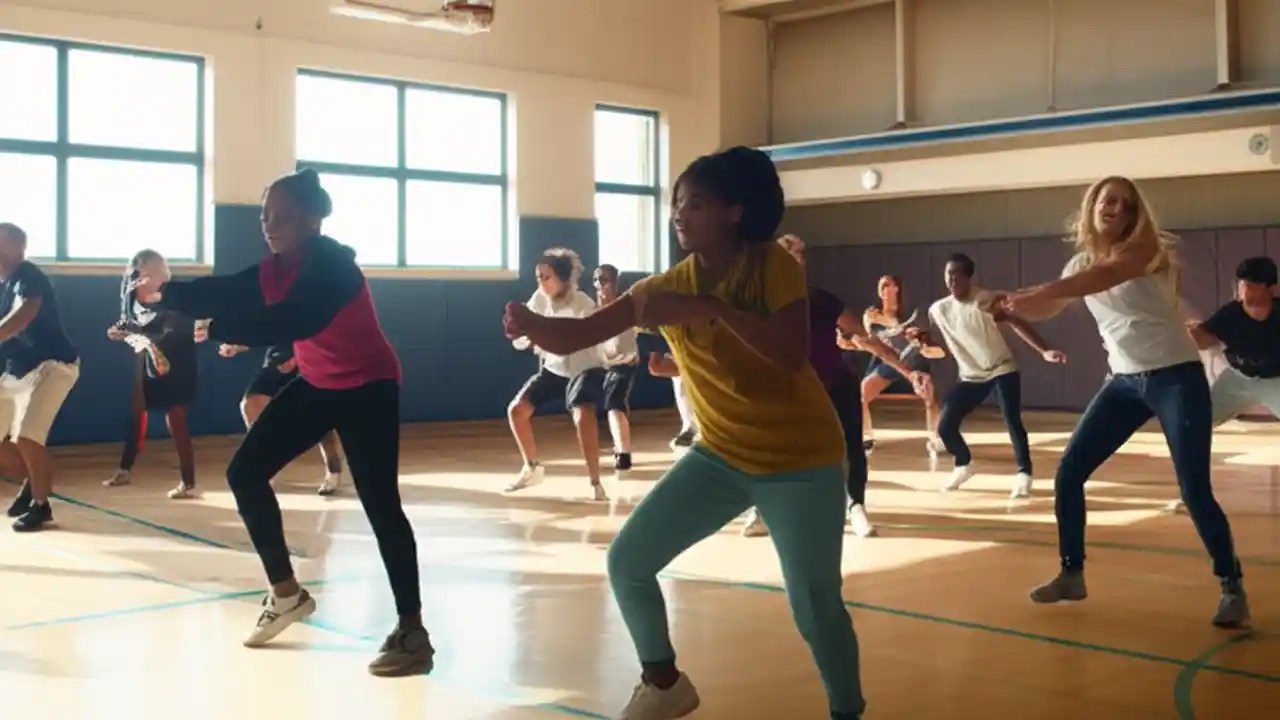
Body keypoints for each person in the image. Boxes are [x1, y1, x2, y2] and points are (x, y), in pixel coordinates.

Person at [503, 147, 866, 720]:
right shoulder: (660, 288)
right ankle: (664, 681)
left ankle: (847, 710)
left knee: (815, 604)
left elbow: (790, 354)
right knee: (628, 561)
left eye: (695, 203)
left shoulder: (771, 265)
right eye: (676, 202)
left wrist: (707, 307)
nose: (679, 213)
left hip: (801, 461)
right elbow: (582, 335)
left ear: (733, 212)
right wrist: (533, 326)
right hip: (721, 455)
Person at [131, 169, 432, 674]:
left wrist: (213, 326)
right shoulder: (275, 268)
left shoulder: (334, 265)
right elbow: (227, 289)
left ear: (313, 219)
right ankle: (286, 594)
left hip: (369, 387)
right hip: (319, 384)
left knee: (382, 505)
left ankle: (412, 630)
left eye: (283, 216)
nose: (270, 225)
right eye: (265, 215)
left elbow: (296, 320)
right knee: (244, 474)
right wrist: (164, 296)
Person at [1000, 175, 1248, 628]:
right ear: (1092, 207)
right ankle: (1071, 573)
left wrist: (1034, 293)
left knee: (1193, 488)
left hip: (1176, 378)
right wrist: (1010, 306)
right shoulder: (1079, 261)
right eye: (1106, 200)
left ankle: (1231, 583)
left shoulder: (1144, 252)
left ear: (1133, 215)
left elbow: (1101, 277)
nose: (1113, 208)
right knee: (1069, 471)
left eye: (1123, 204)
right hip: (1124, 383)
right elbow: (1052, 306)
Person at [738, 234, 923, 539]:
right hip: (791, 391)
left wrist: (909, 372)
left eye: (799, 256)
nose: (794, 261)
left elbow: (870, 341)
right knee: (775, 447)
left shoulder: (823, 300)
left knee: (850, 448)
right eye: (786, 256)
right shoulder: (760, 305)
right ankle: (764, 510)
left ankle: (856, 506)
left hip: (836, 385)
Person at [922, 253, 1066, 497]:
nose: (952, 279)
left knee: (1012, 421)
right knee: (945, 427)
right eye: (948, 274)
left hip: (1002, 369)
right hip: (971, 376)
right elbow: (936, 345)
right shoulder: (938, 309)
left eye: (958, 274)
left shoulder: (983, 302)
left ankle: (1024, 473)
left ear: (969, 277)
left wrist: (1044, 350)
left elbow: (1017, 322)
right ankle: (963, 464)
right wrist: (922, 346)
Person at [1167, 256, 1280, 513]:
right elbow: (1204, 339)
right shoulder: (1230, 313)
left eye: (1252, 285)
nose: (1244, 291)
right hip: (1237, 380)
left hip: (1276, 381)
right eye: (1242, 285)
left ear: (1271, 289)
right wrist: (1185, 331)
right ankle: (1192, 497)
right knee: (1195, 426)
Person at [506, 248, 609, 501]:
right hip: (554, 369)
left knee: (583, 415)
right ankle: (532, 467)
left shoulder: (583, 303)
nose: (541, 282)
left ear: (564, 279)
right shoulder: (538, 300)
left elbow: (595, 335)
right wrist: (524, 338)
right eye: (538, 276)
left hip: (584, 368)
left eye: (547, 277)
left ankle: (596, 483)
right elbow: (520, 338)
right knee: (517, 410)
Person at [0, 223, 80, 533]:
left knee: (27, 436)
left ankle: (40, 505)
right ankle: (33, 479)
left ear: (18, 248)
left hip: (52, 365)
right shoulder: (3, 283)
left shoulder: (27, 276)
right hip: (15, 371)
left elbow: (27, 311)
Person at [103, 250, 201, 499]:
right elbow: (129, 324)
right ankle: (125, 469)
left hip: (177, 358)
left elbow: (172, 329)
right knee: (138, 410)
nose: (139, 270)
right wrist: (121, 333)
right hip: (147, 356)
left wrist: (143, 336)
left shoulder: (172, 295)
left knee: (176, 418)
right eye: (136, 266)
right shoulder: (130, 294)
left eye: (145, 265)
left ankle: (187, 481)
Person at [218, 342, 346, 495]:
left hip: (311, 359)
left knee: (321, 417)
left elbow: (318, 331)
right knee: (251, 404)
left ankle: (334, 468)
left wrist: (296, 359)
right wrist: (237, 347)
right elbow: (265, 331)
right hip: (277, 359)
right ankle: (263, 465)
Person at [861, 274, 943, 455]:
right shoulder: (871, 316)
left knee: (929, 394)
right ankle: (866, 438)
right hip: (891, 363)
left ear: (898, 290)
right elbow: (872, 344)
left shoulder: (912, 313)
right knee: (863, 392)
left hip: (914, 361)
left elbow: (919, 339)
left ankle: (935, 438)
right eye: (882, 287)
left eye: (890, 286)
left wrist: (899, 326)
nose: (886, 291)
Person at [594, 264, 638, 472]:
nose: (599, 284)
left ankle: (623, 453)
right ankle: (618, 448)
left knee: (614, 404)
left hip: (624, 364)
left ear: (615, 283)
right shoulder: (594, 309)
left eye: (604, 280)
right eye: (597, 280)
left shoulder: (624, 307)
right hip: (605, 365)